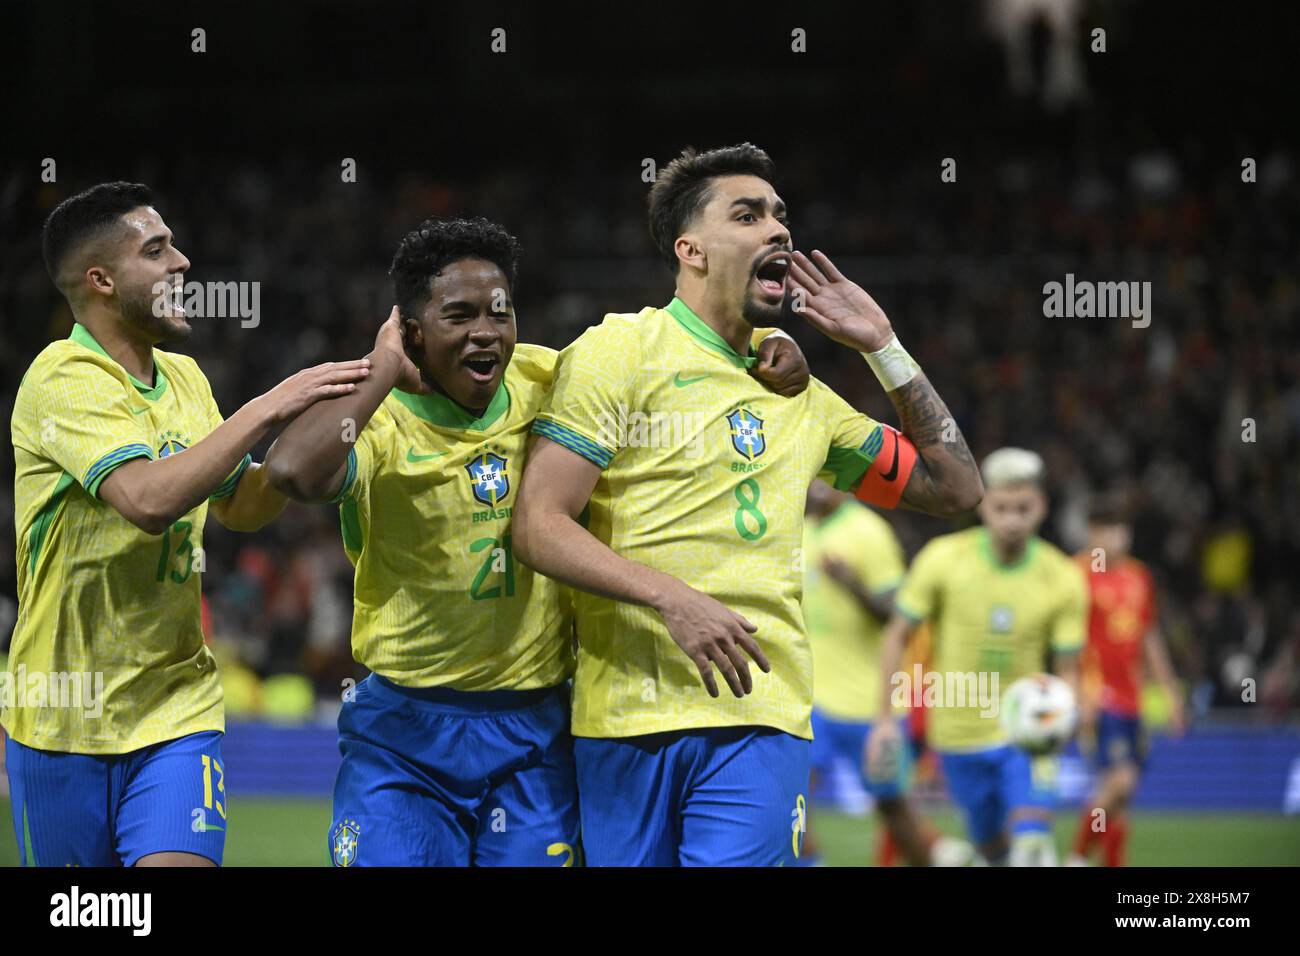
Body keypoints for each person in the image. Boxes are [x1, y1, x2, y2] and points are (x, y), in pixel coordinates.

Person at [263, 216, 812, 865]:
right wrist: (382, 369)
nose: (486, 332)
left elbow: (664, 363)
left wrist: (762, 349)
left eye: (500, 312)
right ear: (412, 332)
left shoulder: (549, 380)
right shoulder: (378, 422)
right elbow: (291, 471)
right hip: (404, 734)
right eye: (459, 316)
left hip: (533, 736)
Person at [512, 143, 983, 866]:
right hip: (622, 712)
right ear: (690, 248)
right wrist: (674, 600)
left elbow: (955, 487)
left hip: (759, 717)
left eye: (780, 215)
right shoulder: (618, 352)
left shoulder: (806, 401)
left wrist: (882, 347)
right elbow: (539, 525)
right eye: (749, 214)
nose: (779, 230)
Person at [5, 182, 369, 866]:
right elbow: (145, 501)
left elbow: (242, 505)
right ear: (101, 280)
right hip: (60, 720)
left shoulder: (186, 381)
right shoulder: (61, 377)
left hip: (178, 713)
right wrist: (264, 408)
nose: (183, 263)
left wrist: (319, 439)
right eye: (157, 249)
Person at [869, 447, 1086, 866]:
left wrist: (1067, 711)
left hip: (1027, 732)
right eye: (1002, 508)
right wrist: (884, 719)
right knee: (993, 850)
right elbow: (896, 635)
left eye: (1023, 508)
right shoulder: (942, 559)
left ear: (1040, 506)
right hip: (957, 731)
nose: (1012, 521)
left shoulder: (1064, 577)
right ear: (984, 504)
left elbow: (1067, 669)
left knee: (1032, 845)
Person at [1068, 494, 1185, 866]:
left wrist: (1170, 693)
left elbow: (1149, 637)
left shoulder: (1139, 576)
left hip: (1132, 697)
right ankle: (1075, 857)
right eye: (1108, 529)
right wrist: (1076, 695)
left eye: (1122, 529)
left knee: (1120, 800)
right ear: (1092, 533)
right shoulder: (1076, 574)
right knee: (1121, 781)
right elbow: (1064, 641)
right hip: (1097, 696)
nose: (1117, 536)